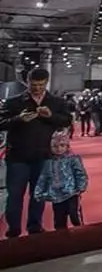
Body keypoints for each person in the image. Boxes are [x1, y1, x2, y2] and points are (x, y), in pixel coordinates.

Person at [0, 68, 73, 238]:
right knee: (15, 196)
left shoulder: (56, 102)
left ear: (46, 82)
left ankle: (34, 228)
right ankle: (14, 230)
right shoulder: (13, 102)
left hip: (43, 156)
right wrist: (18, 119)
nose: (37, 88)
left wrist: (50, 116)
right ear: (27, 82)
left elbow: (67, 121)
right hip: (17, 156)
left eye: (41, 85)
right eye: (34, 85)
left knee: (38, 195)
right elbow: (1, 122)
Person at [34, 131, 88, 230]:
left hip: (72, 192)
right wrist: (39, 192)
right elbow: (43, 178)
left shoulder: (73, 159)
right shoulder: (48, 162)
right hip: (56, 195)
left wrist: (81, 186)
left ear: (67, 146)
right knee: (59, 220)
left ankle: (81, 233)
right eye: (55, 146)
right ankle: (62, 238)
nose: (59, 149)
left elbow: (80, 173)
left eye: (62, 145)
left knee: (74, 215)